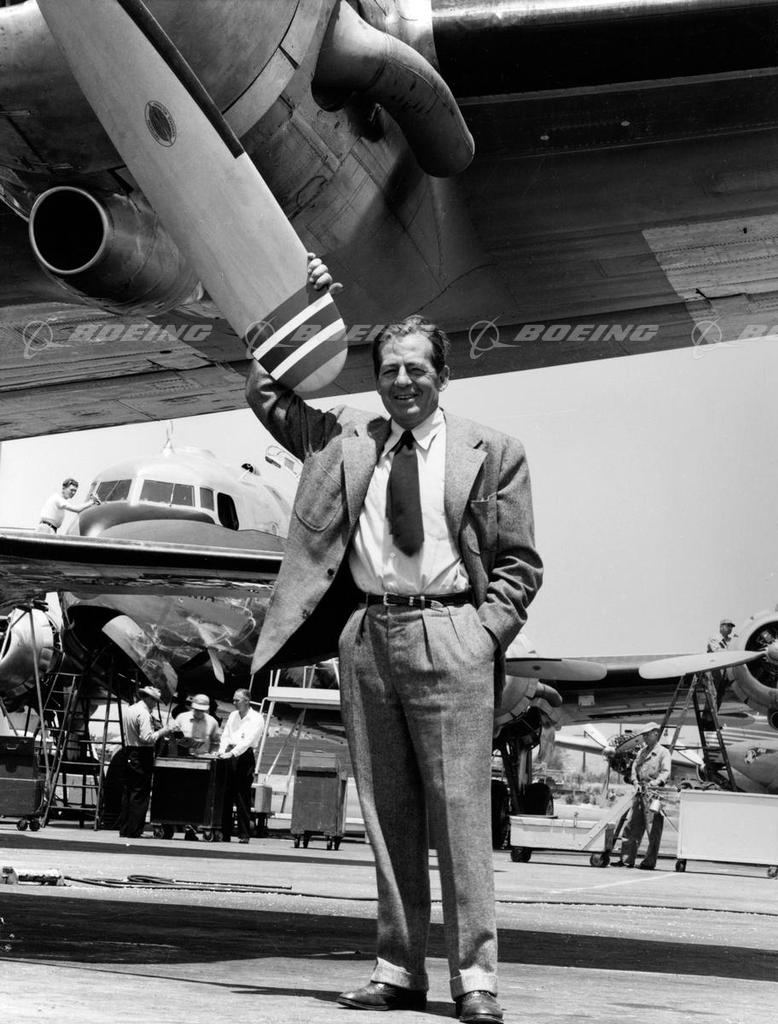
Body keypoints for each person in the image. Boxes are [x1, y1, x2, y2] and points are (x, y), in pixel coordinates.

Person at [246, 258, 543, 1023]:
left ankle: (474, 980)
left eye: (416, 369)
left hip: (451, 634)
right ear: (374, 378)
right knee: (387, 815)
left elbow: (518, 563)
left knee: (461, 817)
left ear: (442, 376)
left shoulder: (493, 451)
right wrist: (307, 300)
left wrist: (482, 635)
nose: (402, 381)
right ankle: (397, 970)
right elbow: (268, 395)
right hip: (369, 636)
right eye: (388, 370)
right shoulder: (348, 439)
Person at [117, 684, 177, 838]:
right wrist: (163, 730)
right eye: (155, 701)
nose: (155, 704)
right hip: (141, 754)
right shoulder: (143, 714)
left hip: (129, 751)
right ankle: (135, 830)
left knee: (128, 792)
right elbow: (146, 738)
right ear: (149, 699)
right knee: (140, 793)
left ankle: (125, 828)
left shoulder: (130, 709)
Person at [618, 722, 672, 871]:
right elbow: (634, 768)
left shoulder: (663, 753)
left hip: (654, 794)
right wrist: (635, 782)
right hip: (640, 792)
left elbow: (666, 772)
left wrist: (655, 783)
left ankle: (649, 862)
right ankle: (626, 859)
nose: (645, 738)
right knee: (632, 826)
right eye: (644, 735)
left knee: (653, 830)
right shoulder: (642, 752)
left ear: (655, 733)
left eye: (647, 735)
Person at [218, 688, 263, 843]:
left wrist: (233, 753)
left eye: (237, 700)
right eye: (234, 699)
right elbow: (226, 735)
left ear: (246, 701)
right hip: (229, 751)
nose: (234, 703)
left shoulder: (256, 718)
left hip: (244, 755)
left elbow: (248, 741)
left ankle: (244, 833)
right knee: (226, 795)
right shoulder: (232, 715)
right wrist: (222, 751)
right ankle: (224, 832)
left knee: (242, 796)